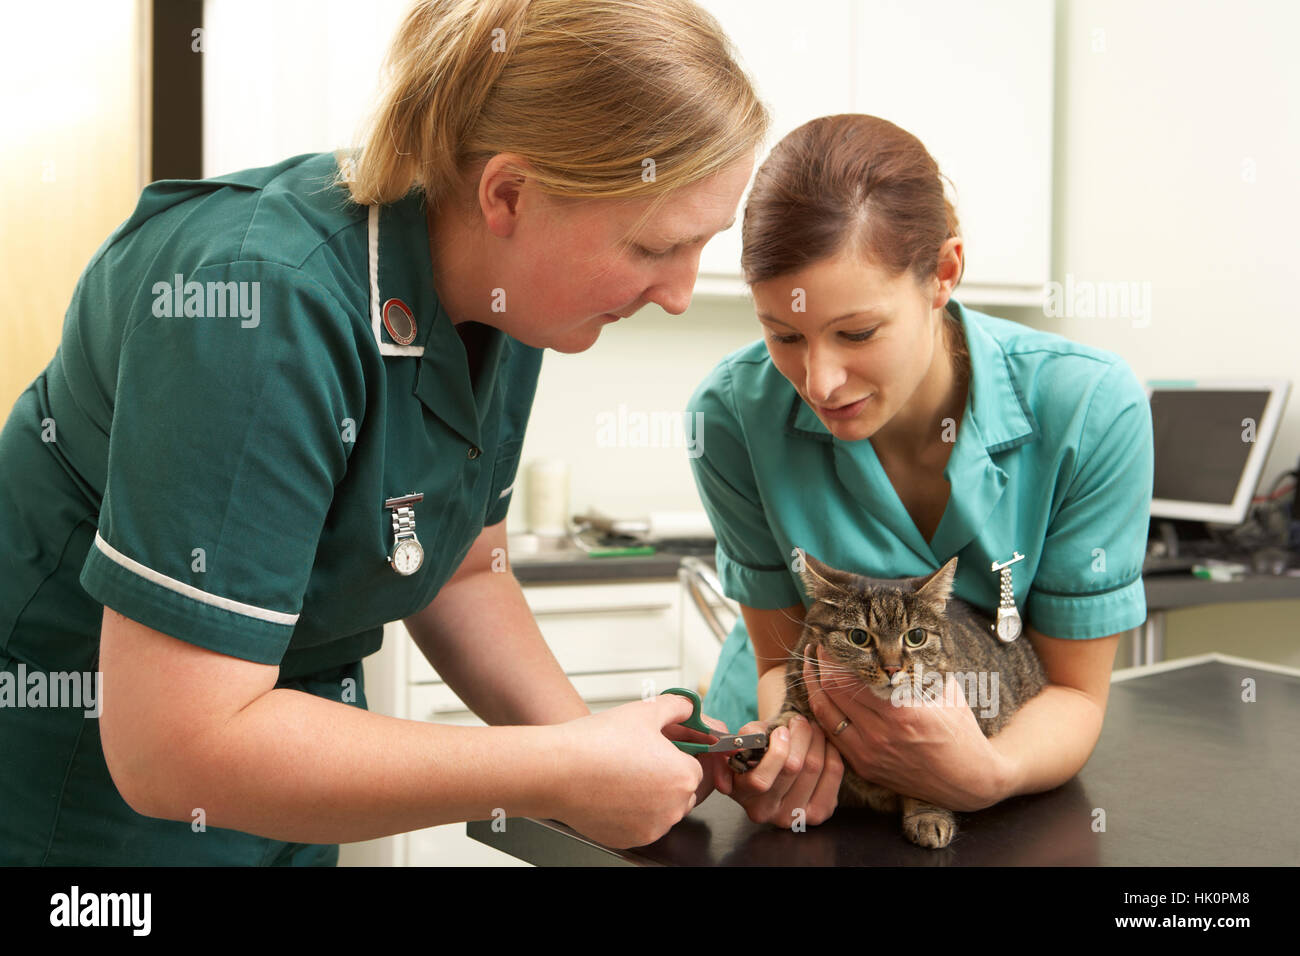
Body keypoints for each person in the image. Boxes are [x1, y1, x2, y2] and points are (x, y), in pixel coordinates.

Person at [0, 0, 768, 864]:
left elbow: (464, 569)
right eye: (652, 247)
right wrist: (549, 768)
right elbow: (175, 750)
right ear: (509, 194)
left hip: (296, 750)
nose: (676, 291)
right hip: (103, 788)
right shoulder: (260, 304)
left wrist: (604, 758)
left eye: (701, 245)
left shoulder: (507, 300)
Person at [688, 114, 1154, 829]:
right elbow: (778, 663)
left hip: (996, 769)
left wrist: (984, 775)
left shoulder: (1089, 408)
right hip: (799, 755)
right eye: (783, 335)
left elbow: (1074, 695)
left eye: (857, 332)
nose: (820, 381)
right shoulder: (730, 417)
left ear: (943, 274)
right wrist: (791, 753)